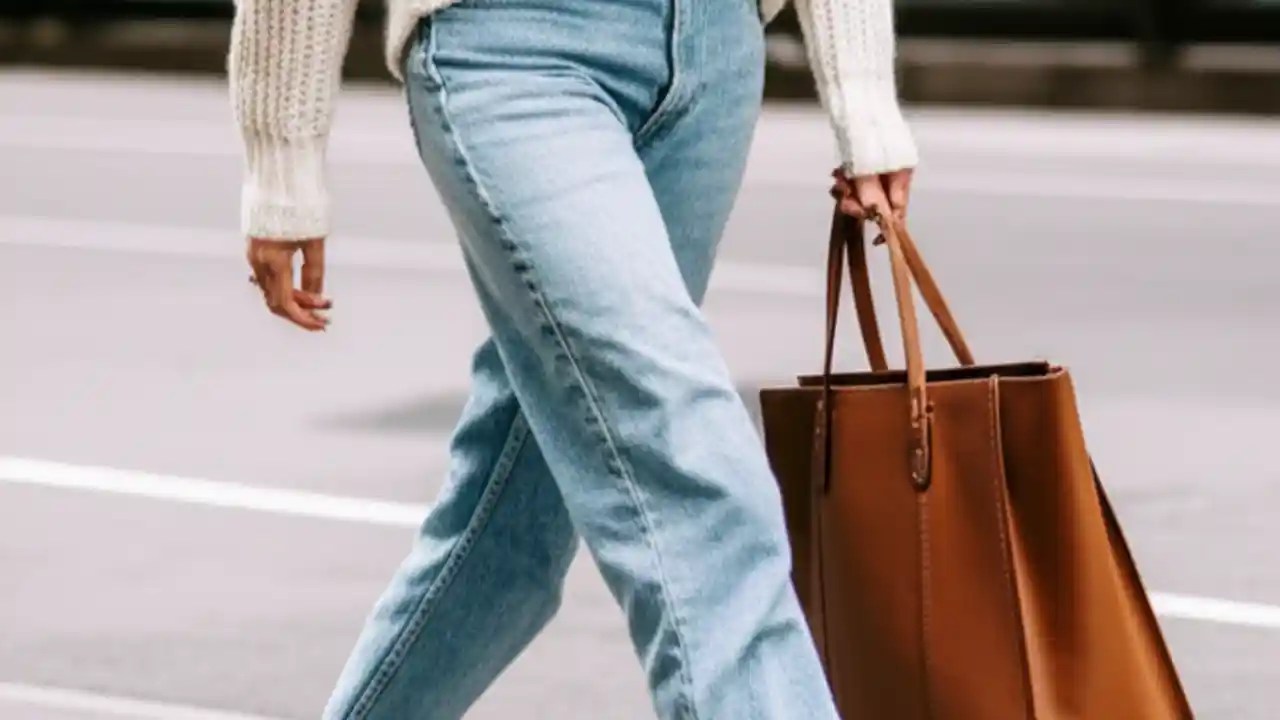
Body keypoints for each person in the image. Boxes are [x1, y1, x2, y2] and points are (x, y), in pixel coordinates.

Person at [228, 0, 916, 716]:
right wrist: (283, 158)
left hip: (713, 51)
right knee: (693, 462)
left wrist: (863, 94)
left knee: (513, 526)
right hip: (515, 49)